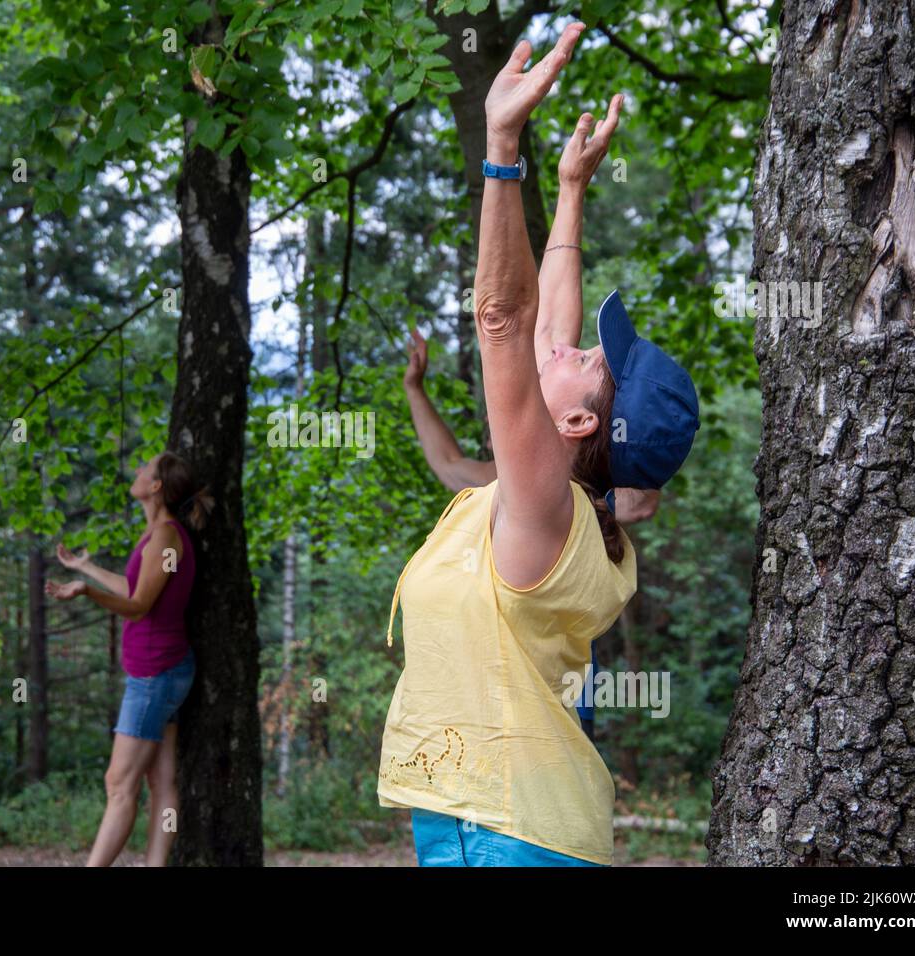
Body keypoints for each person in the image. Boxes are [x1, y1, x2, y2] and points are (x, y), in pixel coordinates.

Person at [378, 21, 699, 868]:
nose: (567, 347)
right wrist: (568, 190)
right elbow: (549, 323)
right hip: (495, 818)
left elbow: (508, 321)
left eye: (588, 361)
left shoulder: (542, 511)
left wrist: (503, 147)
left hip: (507, 833)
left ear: (582, 424)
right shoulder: (571, 508)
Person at [401, 328, 662, 742]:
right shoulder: (509, 488)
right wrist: (414, 388)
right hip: (469, 733)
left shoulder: (558, 495)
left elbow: (645, 499)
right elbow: (450, 465)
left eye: (581, 361)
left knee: (553, 745)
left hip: (539, 715)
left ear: (579, 421)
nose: (560, 352)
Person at [45, 450, 213, 867]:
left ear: (155, 486)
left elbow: (138, 606)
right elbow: (136, 586)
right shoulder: (161, 535)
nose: (138, 471)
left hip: (155, 674)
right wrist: (87, 570)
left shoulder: (166, 537)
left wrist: (85, 591)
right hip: (166, 670)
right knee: (161, 782)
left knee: (119, 785)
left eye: (146, 468)